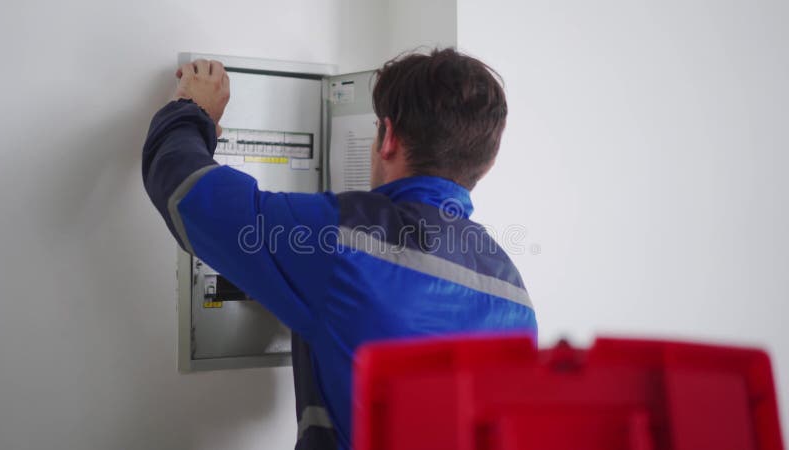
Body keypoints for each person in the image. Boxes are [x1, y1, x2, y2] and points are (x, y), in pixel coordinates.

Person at [142, 48, 537, 449]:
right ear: (484, 163)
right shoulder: (514, 294)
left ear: (389, 138)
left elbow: (187, 193)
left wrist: (192, 109)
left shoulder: (344, 241)